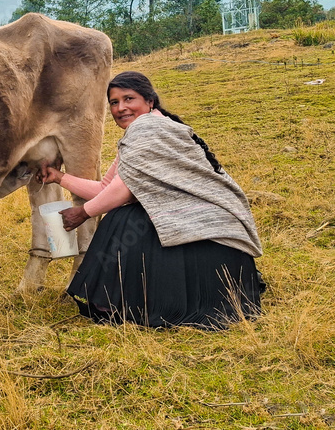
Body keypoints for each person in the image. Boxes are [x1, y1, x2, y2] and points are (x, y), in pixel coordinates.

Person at [38, 71, 264, 329]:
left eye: (128, 99)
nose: (120, 107)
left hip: (203, 230)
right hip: (219, 236)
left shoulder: (146, 128)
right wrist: (59, 178)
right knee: (126, 215)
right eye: (114, 102)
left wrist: (83, 213)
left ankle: (138, 302)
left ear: (150, 102)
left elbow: (122, 192)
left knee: (122, 219)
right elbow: (105, 188)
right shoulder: (147, 131)